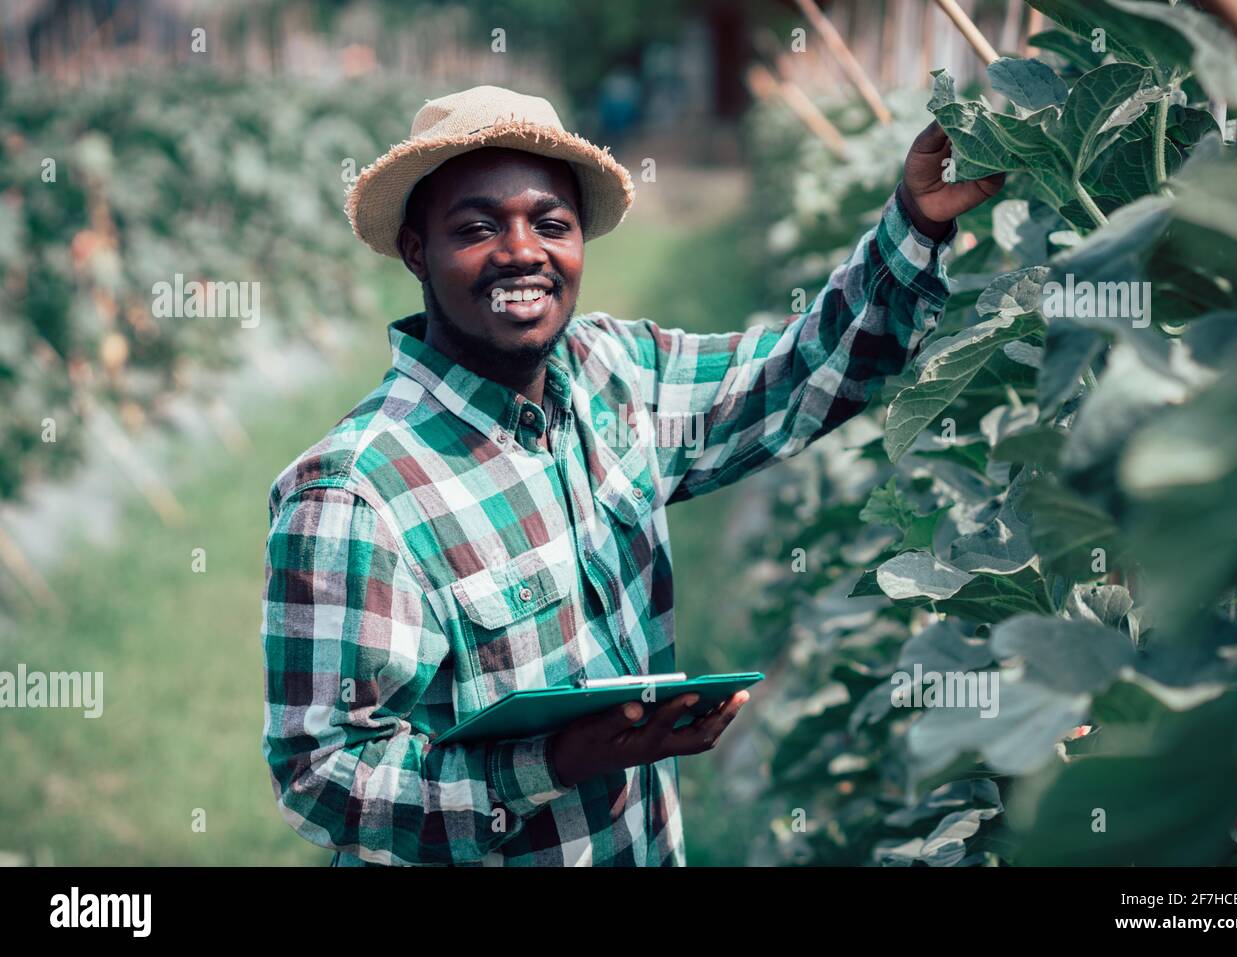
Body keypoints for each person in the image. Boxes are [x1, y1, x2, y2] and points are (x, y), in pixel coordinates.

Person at [259, 85, 1003, 867]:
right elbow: (324, 773)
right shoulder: (354, 493)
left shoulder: (615, 373)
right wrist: (552, 762)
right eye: (477, 228)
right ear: (418, 251)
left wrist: (917, 222)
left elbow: (798, 372)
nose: (522, 251)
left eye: (552, 224)